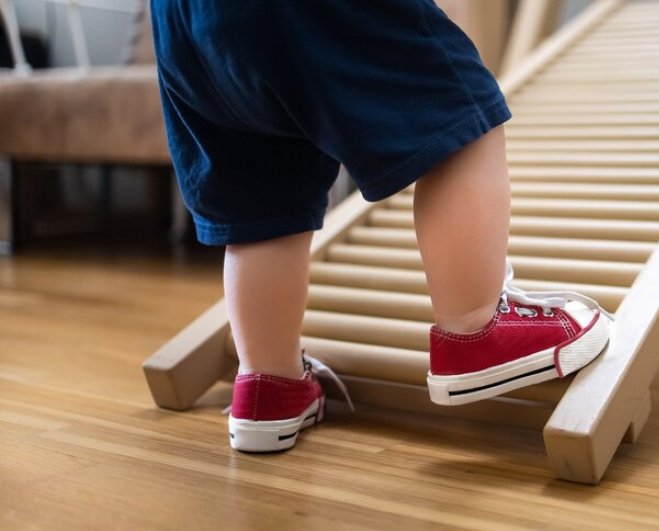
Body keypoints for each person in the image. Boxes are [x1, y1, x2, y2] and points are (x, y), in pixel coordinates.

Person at [151, 0, 610, 452]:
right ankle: (474, 327)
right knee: (459, 119)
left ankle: (269, 387)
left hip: (186, 23)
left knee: (262, 208)